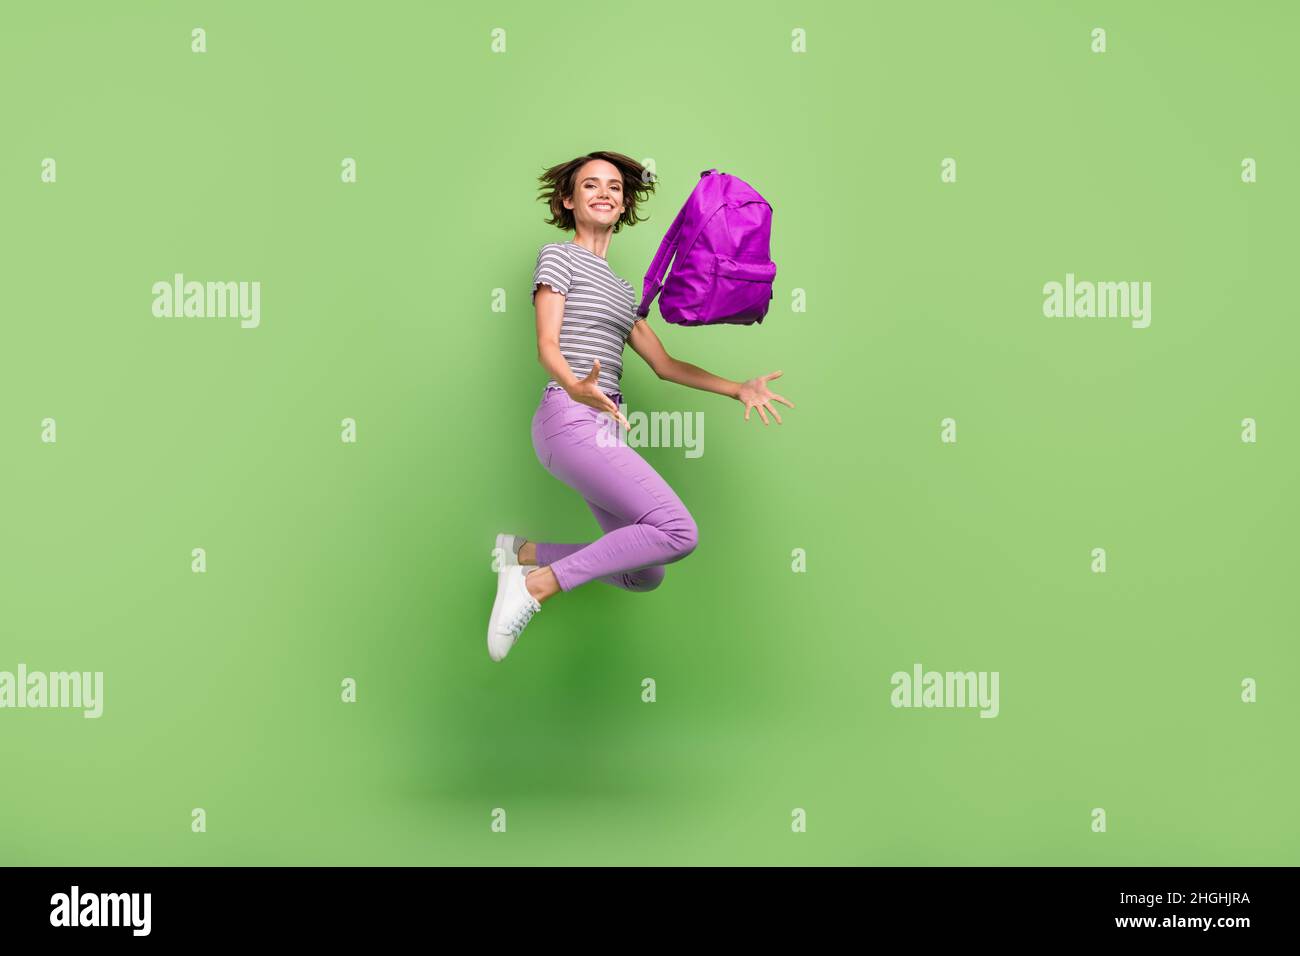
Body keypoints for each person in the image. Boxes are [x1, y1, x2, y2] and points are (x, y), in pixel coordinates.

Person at [487, 151, 794, 661]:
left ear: (624, 202)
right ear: (569, 200)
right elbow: (546, 345)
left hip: (602, 430)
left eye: (613, 186)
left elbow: (666, 365)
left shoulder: (625, 291)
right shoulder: (558, 258)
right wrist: (576, 384)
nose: (604, 192)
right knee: (678, 531)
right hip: (567, 414)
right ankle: (534, 587)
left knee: (642, 572)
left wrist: (738, 388)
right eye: (590, 185)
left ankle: (521, 556)